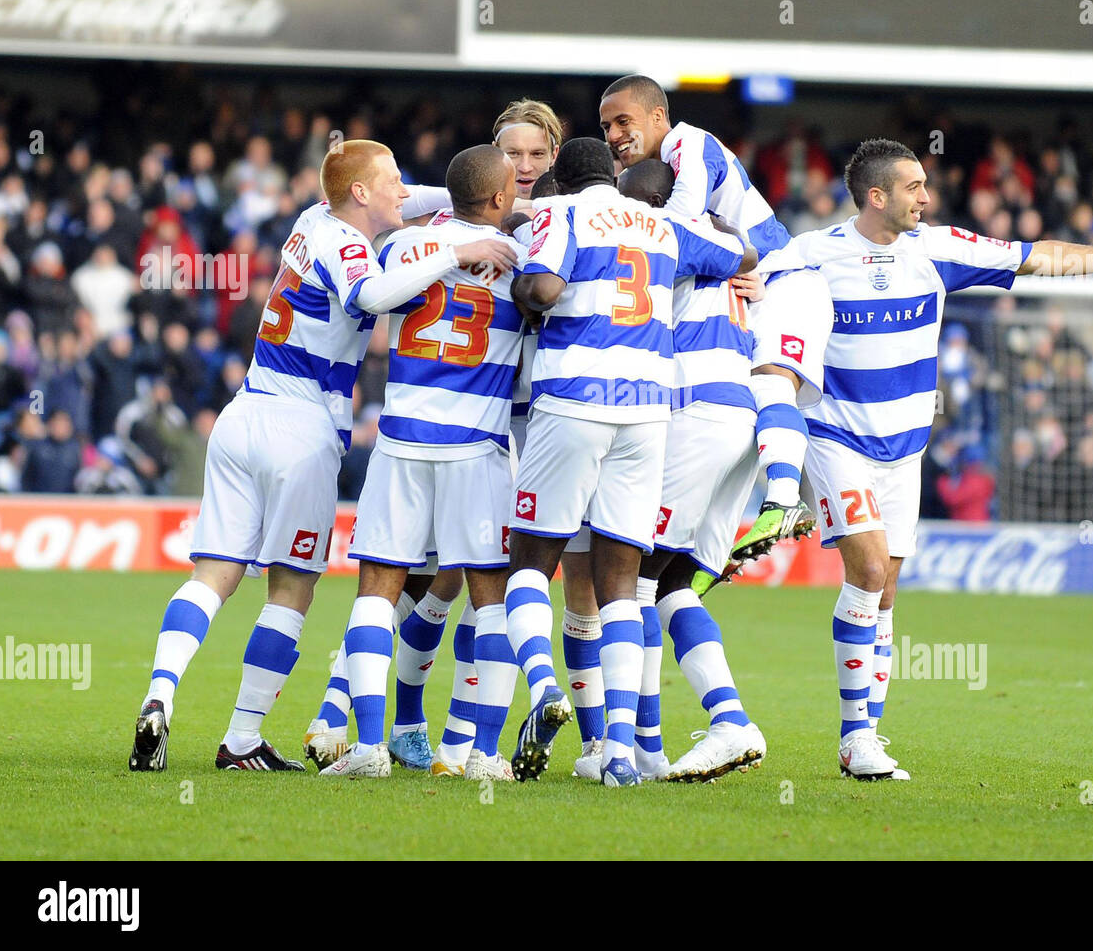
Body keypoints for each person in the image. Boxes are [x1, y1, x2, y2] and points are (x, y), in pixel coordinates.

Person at [790, 138, 1093, 781]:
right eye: (913, 189)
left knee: (887, 590)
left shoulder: (938, 250)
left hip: (906, 450)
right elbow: (750, 279)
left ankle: (866, 736)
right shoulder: (813, 255)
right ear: (877, 197)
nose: (926, 198)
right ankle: (855, 738)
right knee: (869, 571)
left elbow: (1042, 258)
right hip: (836, 437)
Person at [127, 139, 515, 773]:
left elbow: (399, 201)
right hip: (301, 430)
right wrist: (457, 245)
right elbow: (370, 297)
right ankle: (242, 740)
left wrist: (471, 197)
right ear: (360, 193)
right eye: (391, 180)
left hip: (243, 413)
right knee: (291, 589)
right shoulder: (350, 249)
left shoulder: (314, 220)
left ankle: (159, 695)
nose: (402, 189)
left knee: (212, 575)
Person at [505, 137, 753, 786]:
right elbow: (742, 252)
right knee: (623, 583)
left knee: (531, 561)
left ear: (561, 176)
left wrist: (526, 292)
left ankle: (542, 688)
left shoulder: (558, 216)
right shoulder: (664, 221)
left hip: (573, 401)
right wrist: (714, 223)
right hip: (647, 412)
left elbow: (546, 285)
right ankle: (619, 751)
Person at [321, 145, 526, 780]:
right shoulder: (525, 258)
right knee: (491, 600)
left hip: (403, 439)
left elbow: (382, 285)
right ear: (498, 199)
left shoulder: (405, 248)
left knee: (378, 593)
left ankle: (369, 747)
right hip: (478, 446)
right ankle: (485, 756)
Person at [570, 157, 769, 783]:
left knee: (631, 577)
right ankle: (719, 721)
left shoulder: (661, 247)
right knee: (675, 584)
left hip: (694, 417)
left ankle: (639, 747)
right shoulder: (723, 253)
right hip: (742, 423)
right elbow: (747, 254)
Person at [599, 75, 823, 567]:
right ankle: (708, 565)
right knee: (743, 416)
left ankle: (784, 499)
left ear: (659, 117)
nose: (614, 135)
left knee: (770, 386)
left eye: (623, 121)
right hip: (754, 284)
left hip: (785, 279)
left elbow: (677, 221)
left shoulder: (689, 142)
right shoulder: (668, 164)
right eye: (606, 126)